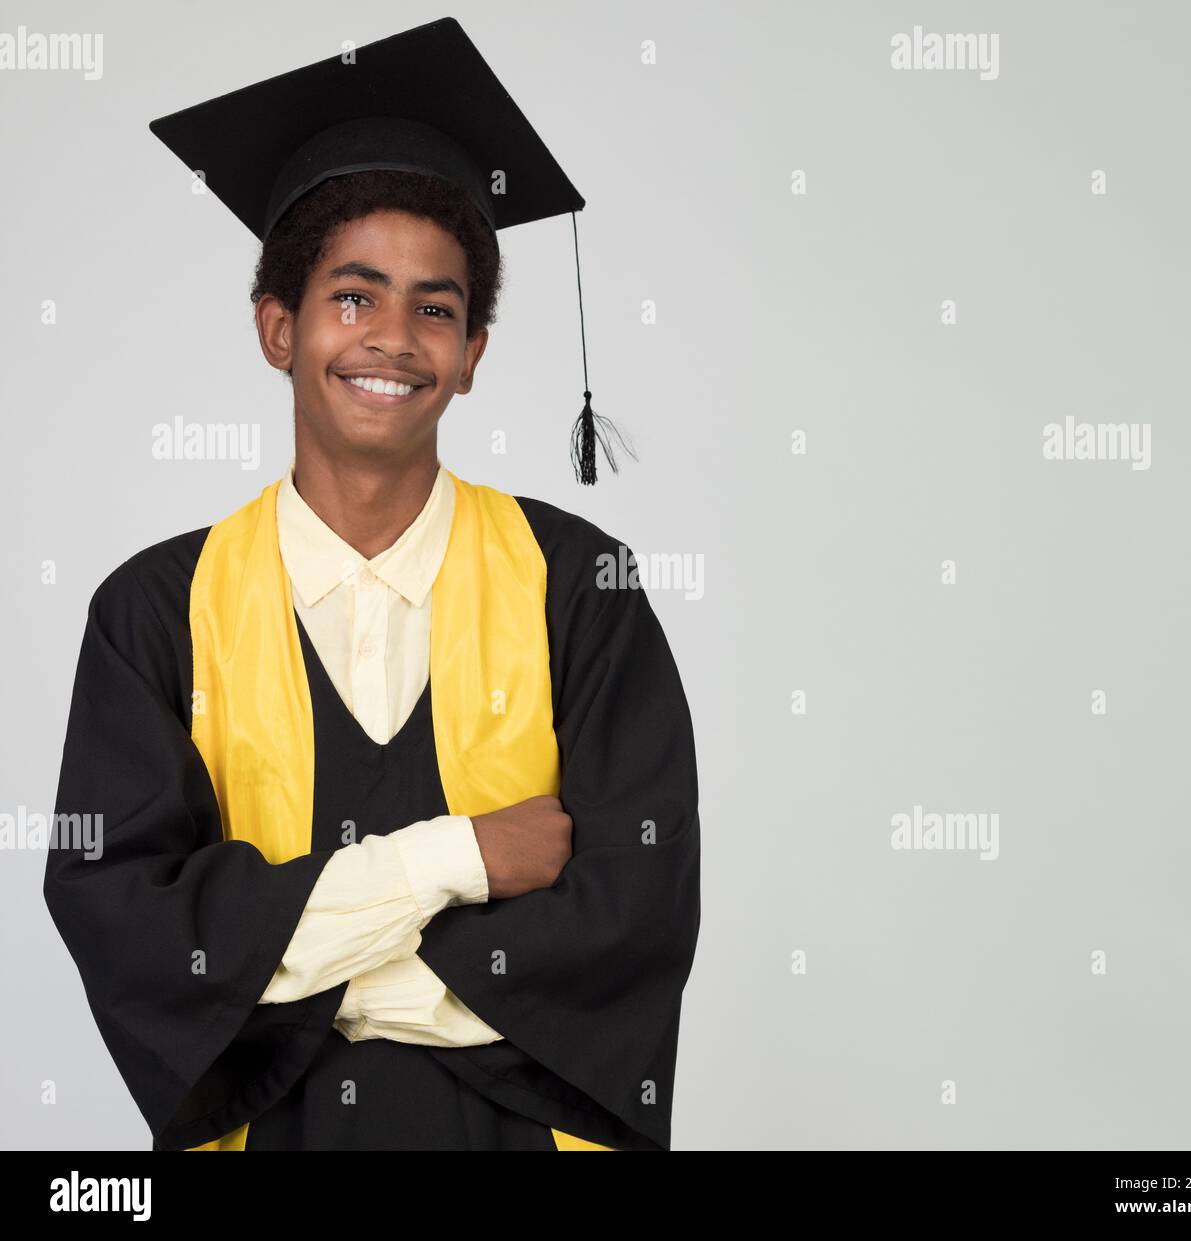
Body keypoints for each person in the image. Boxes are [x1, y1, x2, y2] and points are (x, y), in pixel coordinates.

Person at [43, 18, 701, 1152]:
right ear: (277, 326)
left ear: (473, 352)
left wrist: (275, 976)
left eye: (436, 307)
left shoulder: (580, 586)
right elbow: (134, 932)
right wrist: (455, 861)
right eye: (353, 297)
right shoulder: (155, 611)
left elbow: (631, 924)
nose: (393, 338)